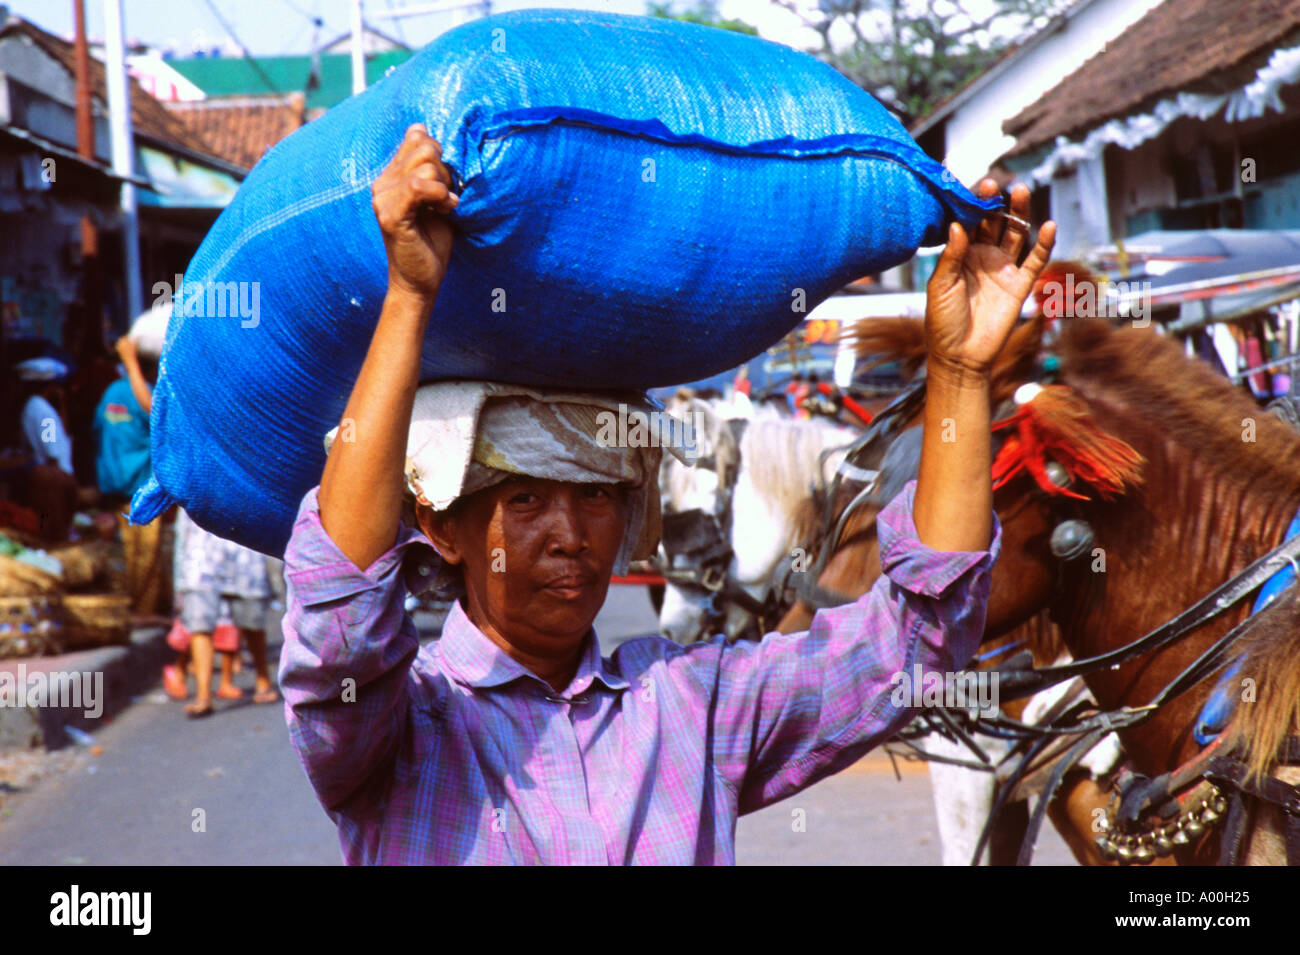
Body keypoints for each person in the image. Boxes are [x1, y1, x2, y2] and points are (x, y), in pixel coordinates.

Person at [279, 124, 1056, 864]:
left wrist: (957, 375)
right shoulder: (399, 734)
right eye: (524, 501)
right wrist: (410, 297)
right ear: (442, 529)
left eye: (596, 496)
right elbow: (341, 614)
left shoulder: (692, 704)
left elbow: (916, 645)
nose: (571, 533)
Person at [171, 508, 278, 717]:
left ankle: (263, 679)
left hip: (244, 549)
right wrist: (178, 581)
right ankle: (203, 696)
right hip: (200, 556)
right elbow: (181, 527)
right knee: (200, 625)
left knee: (252, 622)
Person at [94, 324, 166, 617]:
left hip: (115, 486)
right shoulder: (145, 393)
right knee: (145, 558)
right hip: (141, 490)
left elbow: (98, 432)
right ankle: (141, 615)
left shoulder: (111, 392)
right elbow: (154, 412)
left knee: (126, 556)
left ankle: (127, 613)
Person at [15, 357, 78, 541]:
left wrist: (62, 404)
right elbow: (51, 449)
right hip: (53, 479)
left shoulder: (37, 407)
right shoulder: (41, 411)